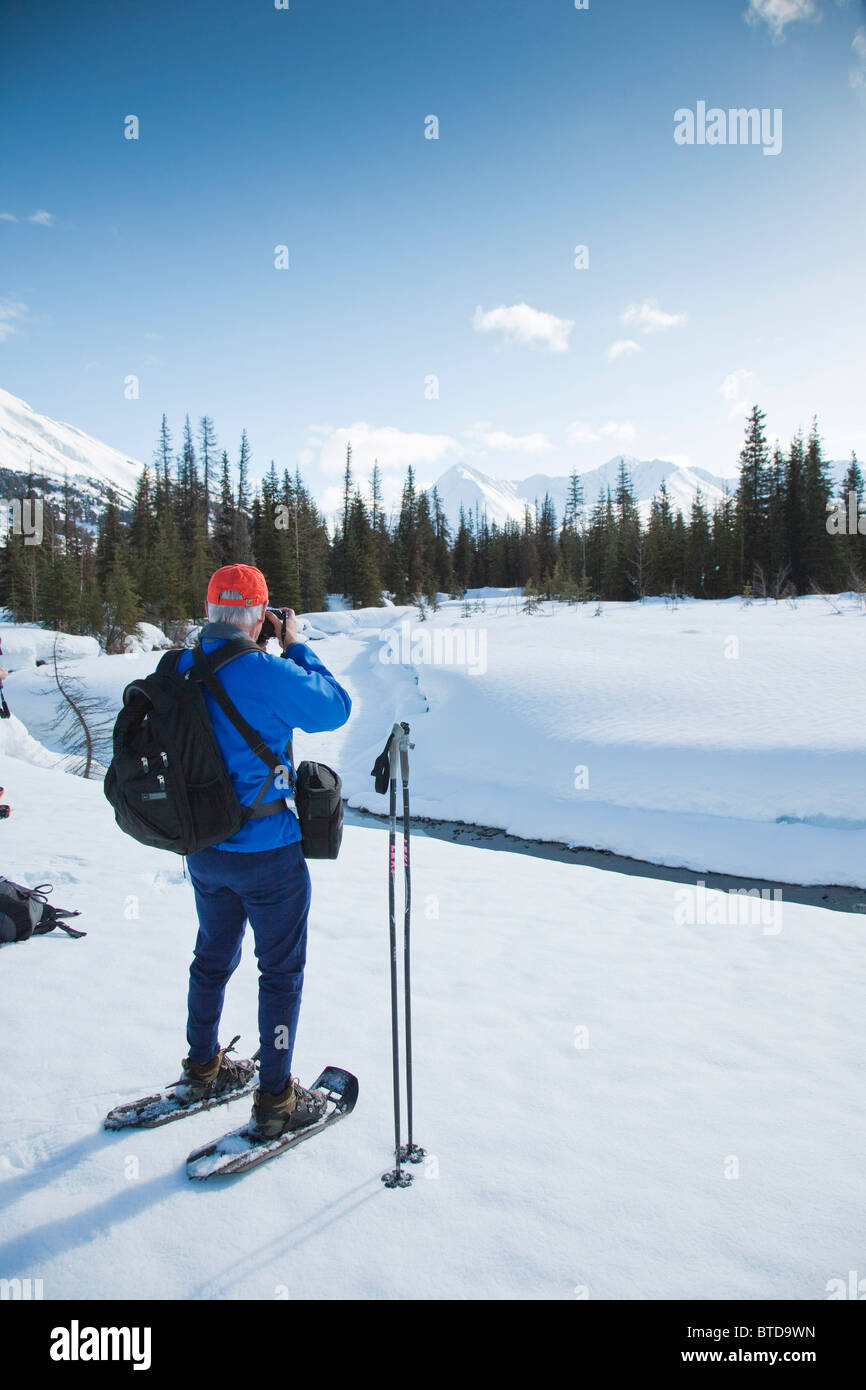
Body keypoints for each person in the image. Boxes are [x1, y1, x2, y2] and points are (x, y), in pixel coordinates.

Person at [175, 563, 351, 1137]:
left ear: (209, 611)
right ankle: (275, 1100)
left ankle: (202, 1065)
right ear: (259, 616)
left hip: (204, 849)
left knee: (212, 957)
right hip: (269, 852)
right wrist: (296, 646)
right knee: (279, 974)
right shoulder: (264, 669)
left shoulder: (179, 664)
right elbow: (334, 708)